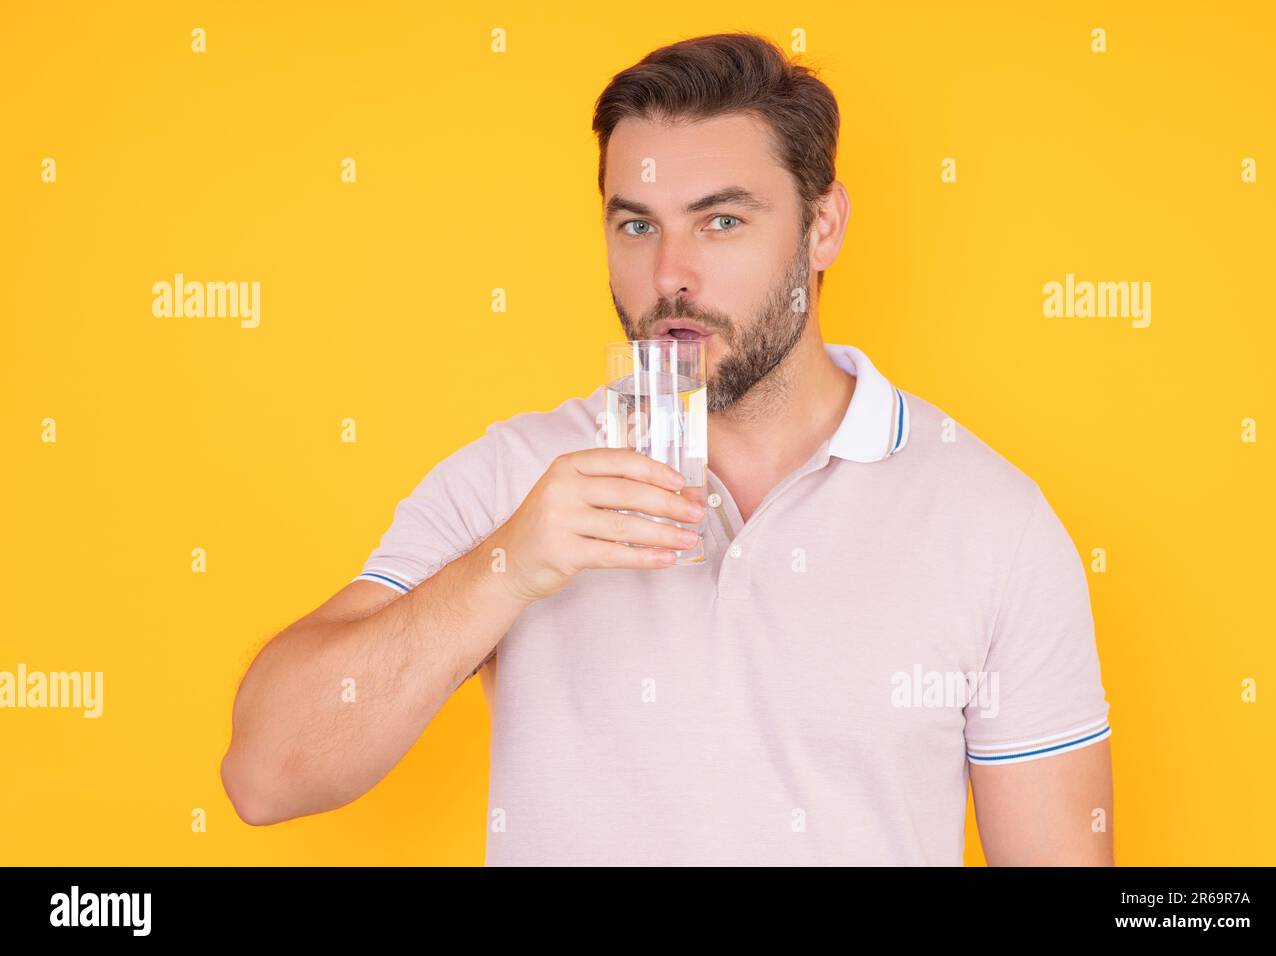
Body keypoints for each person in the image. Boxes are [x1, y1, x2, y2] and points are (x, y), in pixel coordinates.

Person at [221, 32, 1113, 866]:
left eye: (721, 222)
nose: (670, 275)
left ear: (823, 227)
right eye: (636, 224)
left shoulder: (989, 519)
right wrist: (507, 566)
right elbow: (265, 776)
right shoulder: (515, 478)